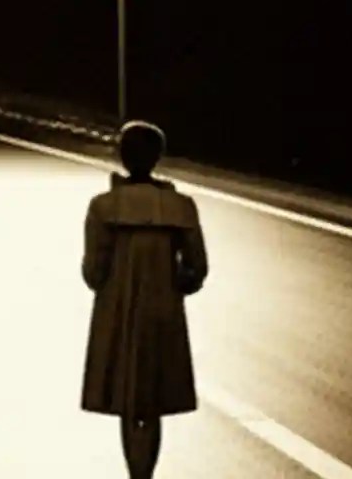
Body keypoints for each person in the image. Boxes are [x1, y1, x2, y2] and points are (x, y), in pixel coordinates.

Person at [80, 120, 209, 479]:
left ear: (122, 156)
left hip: (117, 311)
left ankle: (135, 472)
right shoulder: (180, 207)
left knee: (127, 398)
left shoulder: (104, 206)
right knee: (153, 400)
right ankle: (146, 472)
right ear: (157, 157)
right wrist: (177, 284)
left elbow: (94, 272)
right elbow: (197, 268)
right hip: (164, 311)